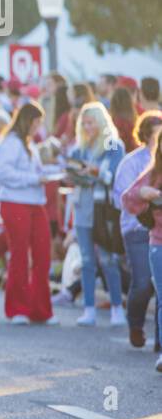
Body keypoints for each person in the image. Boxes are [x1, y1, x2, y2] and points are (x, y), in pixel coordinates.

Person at [0, 101, 57, 325]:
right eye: (37, 122)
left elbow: (35, 171)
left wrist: (55, 171)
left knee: (42, 253)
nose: (38, 127)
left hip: (34, 203)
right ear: (28, 121)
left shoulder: (28, 144)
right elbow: (3, 174)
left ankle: (40, 309)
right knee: (19, 254)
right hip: (14, 202)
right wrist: (34, 179)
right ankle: (17, 308)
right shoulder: (10, 143)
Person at [66, 102, 126, 327]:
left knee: (109, 260)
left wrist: (93, 170)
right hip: (82, 209)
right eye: (84, 123)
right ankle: (88, 308)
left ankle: (117, 307)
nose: (88, 127)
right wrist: (73, 174)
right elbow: (72, 169)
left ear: (101, 122)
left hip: (104, 211)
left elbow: (113, 175)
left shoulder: (113, 144)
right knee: (87, 260)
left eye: (91, 122)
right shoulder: (78, 146)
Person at [114, 111, 162, 349]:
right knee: (143, 282)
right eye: (156, 136)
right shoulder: (133, 162)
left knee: (159, 288)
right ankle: (135, 324)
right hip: (136, 229)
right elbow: (122, 197)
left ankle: (160, 342)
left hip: (157, 231)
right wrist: (145, 198)